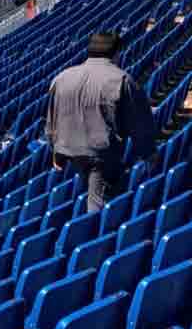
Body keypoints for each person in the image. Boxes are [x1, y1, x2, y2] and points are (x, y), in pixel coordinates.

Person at [46, 31, 156, 213]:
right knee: (98, 199)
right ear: (116, 53)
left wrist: (56, 153)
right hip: (100, 152)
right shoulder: (121, 79)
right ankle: (95, 235)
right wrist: (148, 152)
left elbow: (52, 119)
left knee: (87, 188)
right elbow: (139, 122)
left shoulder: (61, 77)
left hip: (68, 149)